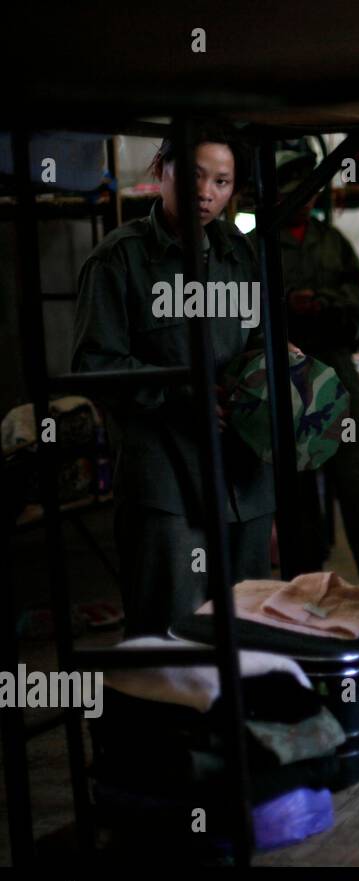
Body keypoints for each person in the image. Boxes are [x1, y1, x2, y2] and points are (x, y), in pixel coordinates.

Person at [72, 124, 273, 635]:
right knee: (173, 628)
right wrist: (179, 392)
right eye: (196, 175)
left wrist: (275, 364)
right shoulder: (119, 260)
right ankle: (160, 718)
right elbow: (94, 365)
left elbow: (258, 340)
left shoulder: (240, 255)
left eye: (223, 182)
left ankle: (240, 717)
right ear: (162, 170)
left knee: (248, 623)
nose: (207, 192)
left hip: (242, 479)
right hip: (166, 483)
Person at [275, 150, 359, 579]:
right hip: (287, 374)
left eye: (310, 193)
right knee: (299, 483)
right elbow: (244, 310)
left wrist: (324, 304)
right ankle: (304, 578)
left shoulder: (331, 241)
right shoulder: (259, 247)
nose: (305, 201)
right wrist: (286, 305)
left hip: (336, 367)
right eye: (296, 193)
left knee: (357, 477)